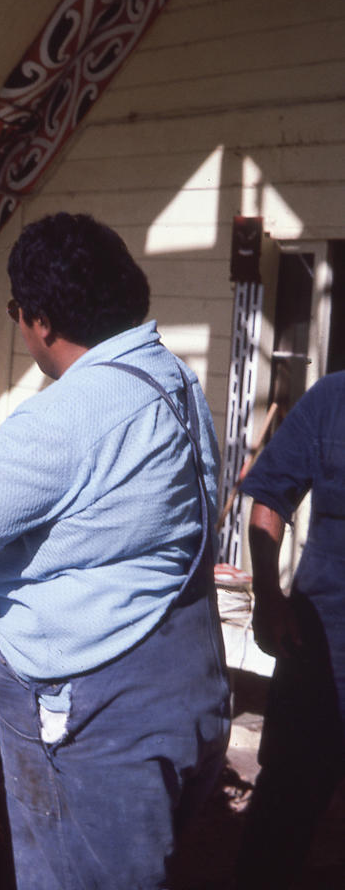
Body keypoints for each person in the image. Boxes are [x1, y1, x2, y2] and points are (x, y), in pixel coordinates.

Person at [0, 211, 230, 890]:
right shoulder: (170, 379)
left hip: (98, 722)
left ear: (39, 321)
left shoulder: (67, 414)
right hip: (188, 688)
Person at [236, 371, 345, 889]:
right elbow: (270, 498)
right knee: (284, 806)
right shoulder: (333, 398)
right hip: (320, 638)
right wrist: (268, 597)